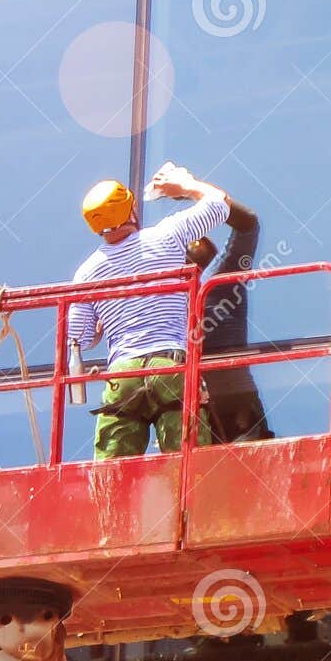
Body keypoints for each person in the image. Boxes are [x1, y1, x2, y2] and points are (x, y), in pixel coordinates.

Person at [66, 164, 231, 459]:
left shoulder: (87, 272)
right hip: (170, 366)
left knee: (112, 474)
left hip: (123, 375)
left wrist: (110, 315)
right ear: (131, 211)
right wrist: (186, 184)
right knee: (189, 465)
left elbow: (80, 337)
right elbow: (220, 204)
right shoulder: (167, 235)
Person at [185, 198, 272, 443]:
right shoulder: (176, 303)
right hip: (221, 403)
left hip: (226, 405)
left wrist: (194, 190)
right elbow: (248, 226)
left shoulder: (217, 281)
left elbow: (247, 227)